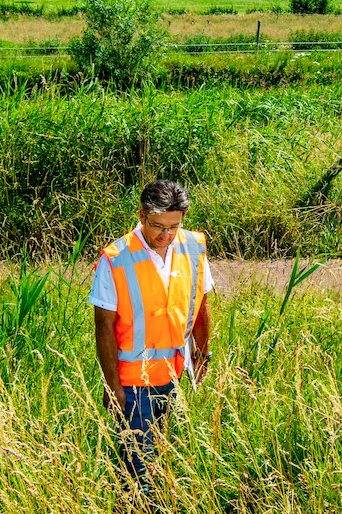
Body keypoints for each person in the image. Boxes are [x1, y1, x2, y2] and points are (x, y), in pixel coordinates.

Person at [88, 180, 213, 492]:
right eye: (159, 226)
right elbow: (103, 326)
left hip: (174, 377)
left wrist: (202, 354)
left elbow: (201, 304)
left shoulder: (192, 247)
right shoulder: (116, 257)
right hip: (132, 386)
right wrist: (112, 385)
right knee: (137, 475)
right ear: (142, 215)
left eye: (174, 226)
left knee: (166, 466)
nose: (166, 235)